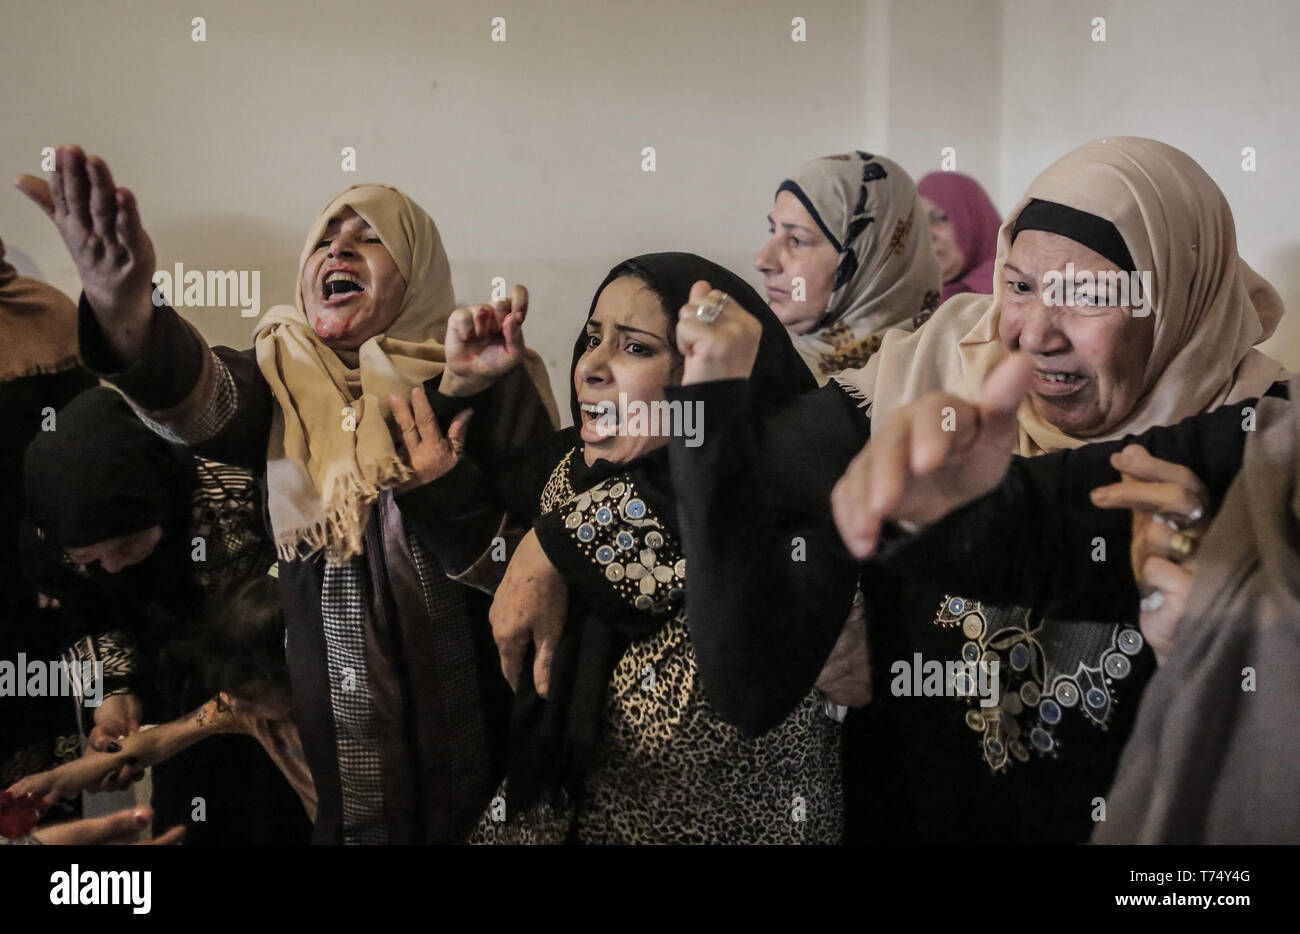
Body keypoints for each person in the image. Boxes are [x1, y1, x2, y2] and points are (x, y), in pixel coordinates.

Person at [625, 136, 1289, 843]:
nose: (1035, 335)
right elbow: (747, 682)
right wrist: (708, 406)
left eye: (1088, 298)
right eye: (1021, 286)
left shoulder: (1260, 442)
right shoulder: (922, 382)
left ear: (1179, 299)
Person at [15, 146, 558, 844]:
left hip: (484, 748)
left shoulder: (494, 371)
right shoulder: (279, 382)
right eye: (327, 236)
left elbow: (533, 566)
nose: (341, 247)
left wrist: (453, 437)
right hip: (340, 770)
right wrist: (125, 311)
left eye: (371, 237)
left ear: (419, 272)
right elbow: (197, 403)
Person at [392, 253, 842, 843]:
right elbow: (499, 556)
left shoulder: (780, 527)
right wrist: (460, 389)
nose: (590, 368)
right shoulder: (569, 475)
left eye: (636, 347)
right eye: (591, 339)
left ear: (711, 378)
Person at [21, 387, 309, 844]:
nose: (112, 568)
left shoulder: (227, 503)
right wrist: (114, 699)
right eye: (90, 559)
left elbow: (265, 659)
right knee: (189, 818)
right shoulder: (54, 536)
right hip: (180, 710)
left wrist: (159, 738)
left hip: (269, 689)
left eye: (128, 546)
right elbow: (88, 619)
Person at [9, 576, 316, 822]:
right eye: (230, 692)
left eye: (249, 696)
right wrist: (55, 781)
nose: (233, 705)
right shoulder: (246, 709)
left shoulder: (341, 716)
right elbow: (155, 742)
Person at [0, 235, 96, 821]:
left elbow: (80, 456)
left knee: (33, 794)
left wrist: (55, 554)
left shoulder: (45, 315)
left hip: (26, 591)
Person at [755, 151, 941, 383]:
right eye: (774, 231)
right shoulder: (754, 355)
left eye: (797, 240)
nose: (762, 261)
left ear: (872, 259)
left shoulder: (920, 382)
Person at [916, 171, 1001, 302]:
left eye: (940, 218)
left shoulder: (1008, 295)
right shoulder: (909, 296)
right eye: (918, 222)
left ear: (975, 222)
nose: (926, 235)